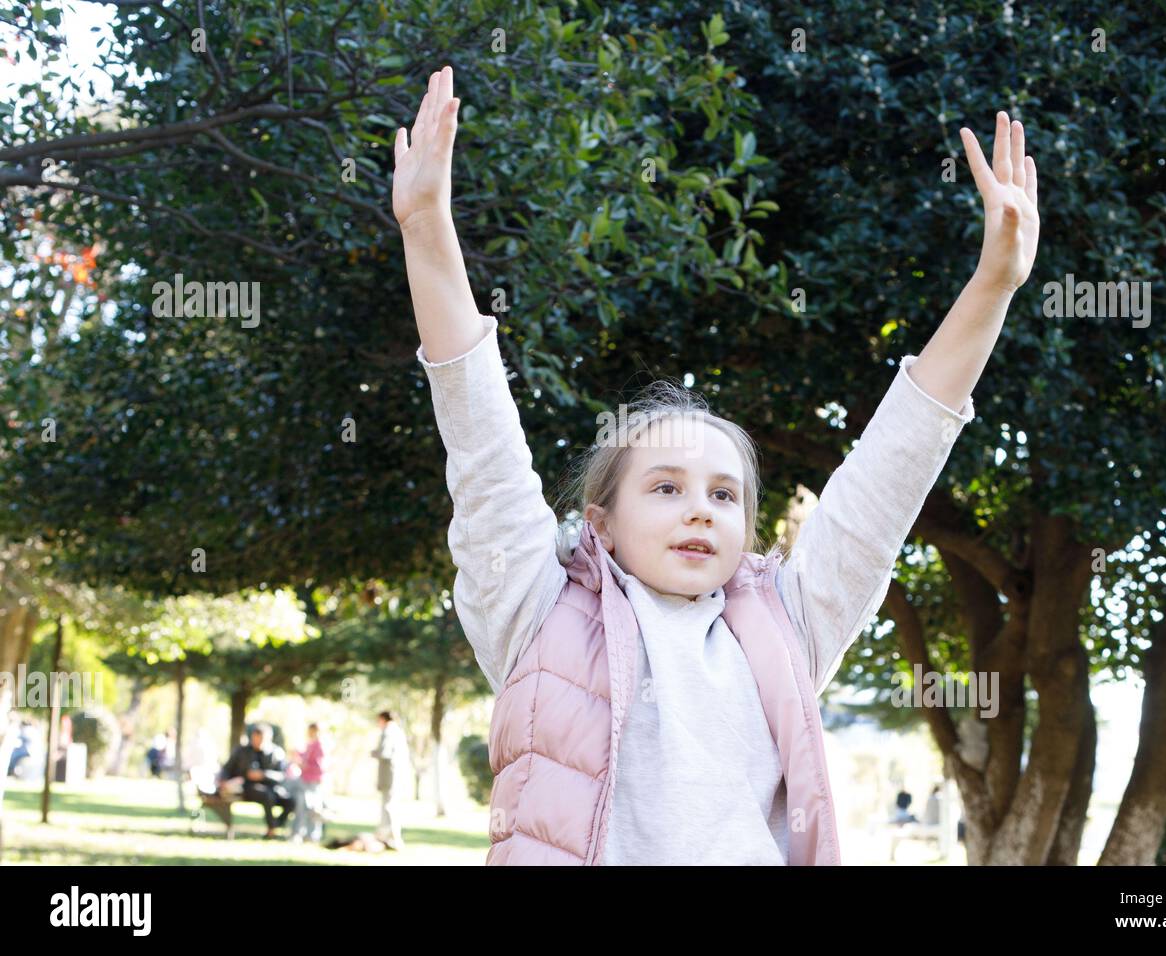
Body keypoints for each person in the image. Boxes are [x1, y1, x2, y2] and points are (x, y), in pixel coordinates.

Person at [395, 66, 1036, 864]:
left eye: (724, 494)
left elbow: (890, 474)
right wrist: (426, 227)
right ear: (602, 521)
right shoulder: (536, 609)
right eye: (665, 488)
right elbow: (482, 448)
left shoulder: (788, 629)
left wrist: (994, 285)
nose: (701, 509)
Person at [219, 722, 295, 839]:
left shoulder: (276, 753)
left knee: (290, 801)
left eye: (261, 739)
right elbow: (227, 768)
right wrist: (223, 781)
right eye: (255, 739)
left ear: (268, 738)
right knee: (266, 795)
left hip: (271, 787)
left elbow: (282, 775)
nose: (257, 742)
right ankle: (271, 830)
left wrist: (263, 775)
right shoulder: (242, 751)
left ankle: (275, 825)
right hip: (247, 787)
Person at [371, 711, 410, 850]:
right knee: (391, 806)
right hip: (397, 774)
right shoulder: (398, 731)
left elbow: (384, 752)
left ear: (383, 719)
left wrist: (373, 752)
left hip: (389, 775)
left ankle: (393, 839)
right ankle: (387, 837)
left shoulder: (388, 731)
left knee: (388, 807)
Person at [288, 723, 329, 844]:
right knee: (302, 807)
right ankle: (300, 834)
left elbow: (319, 766)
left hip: (313, 782)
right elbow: (306, 758)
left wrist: (303, 765)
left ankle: (311, 835)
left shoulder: (320, 746)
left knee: (313, 809)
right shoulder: (311, 745)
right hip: (305, 780)